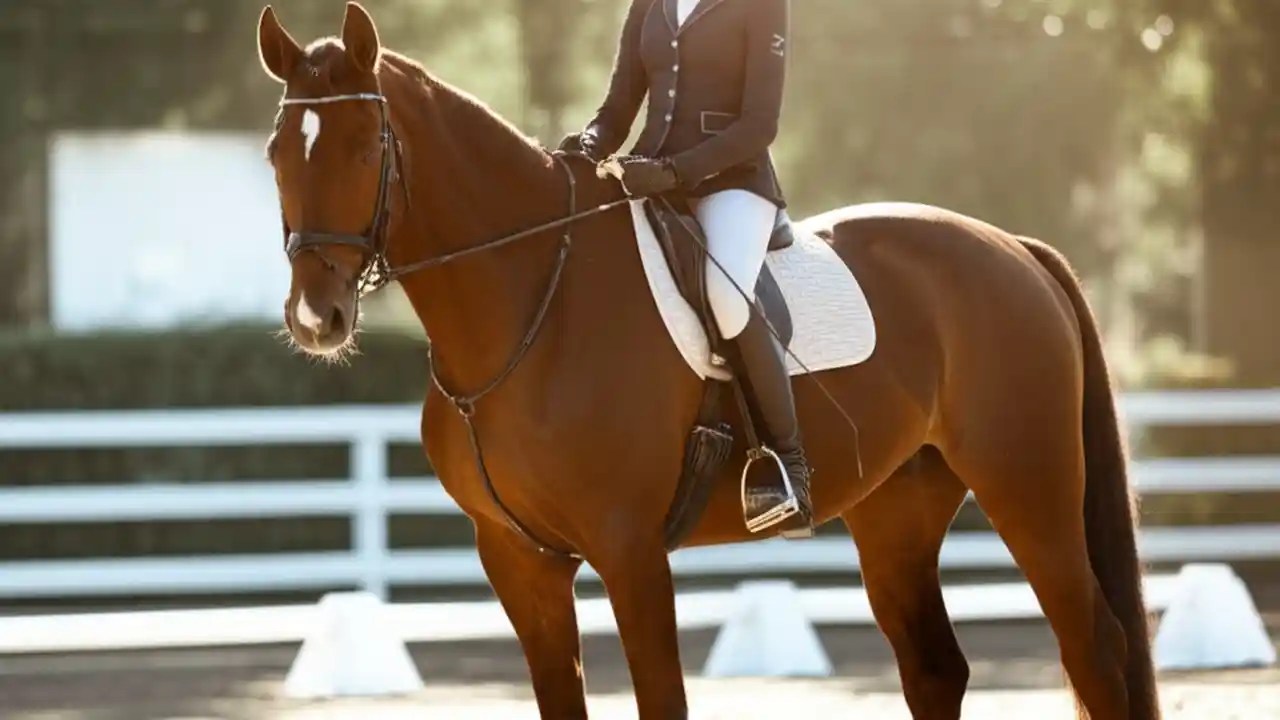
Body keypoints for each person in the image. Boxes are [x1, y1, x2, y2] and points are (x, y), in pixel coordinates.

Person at [559, 0, 811, 533]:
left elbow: (759, 125)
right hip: (652, 176)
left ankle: (787, 465)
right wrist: (587, 147)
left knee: (724, 292)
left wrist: (675, 171)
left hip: (732, 182)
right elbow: (618, 106)